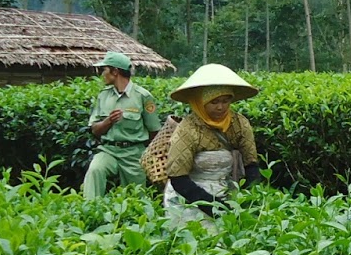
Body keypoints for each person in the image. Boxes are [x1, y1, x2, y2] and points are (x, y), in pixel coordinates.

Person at [162, 63, 261, 228]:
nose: (221, 107)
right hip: (189, 198)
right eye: (214, 102)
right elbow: (179, 179)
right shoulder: (188, 129)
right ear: (201, 102)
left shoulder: (239, 124)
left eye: (225, 100)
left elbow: (251, 164)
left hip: (224, 192)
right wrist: (213, 207)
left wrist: (246, 198)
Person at [83, 51, 162, 199]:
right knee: (95, 169)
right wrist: (109, 121)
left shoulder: (143, 97)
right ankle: (89, 210)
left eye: (104, 70)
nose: (102, 74)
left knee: (137, 198)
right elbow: (95, 130)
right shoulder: (103, 96)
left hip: (134, 154)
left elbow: (154, 131)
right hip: (109, 150)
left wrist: (150, 158)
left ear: (115, 71)